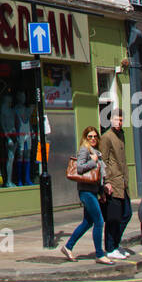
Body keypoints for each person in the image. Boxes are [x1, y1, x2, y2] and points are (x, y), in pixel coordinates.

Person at [59, 126, 113, 265]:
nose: (93, 139)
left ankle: (68, 247)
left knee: (87, 222)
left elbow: (99, 175)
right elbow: (80, 168)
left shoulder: (96, 152)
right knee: (99, 222)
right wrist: (93, 161)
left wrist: (102, 191)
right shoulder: (84, 150)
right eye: (90, 136)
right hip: (86, 191)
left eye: (95, 136)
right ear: (85, 138)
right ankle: (99, 254)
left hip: (93, 191)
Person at [100, 109, 133, 260]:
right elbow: (103, 161)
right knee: (113, 218)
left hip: (123, 182)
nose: (119, 123)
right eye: (116, 120)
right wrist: (106, 182)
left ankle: (116, 244)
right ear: (111, 120)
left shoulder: (121, 135)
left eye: (121, 120)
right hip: (113, 183)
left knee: (126, 214)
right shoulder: (106, 137)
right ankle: (110, 248)